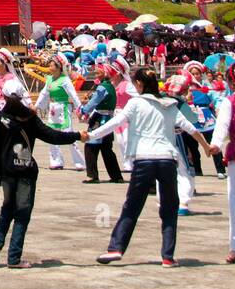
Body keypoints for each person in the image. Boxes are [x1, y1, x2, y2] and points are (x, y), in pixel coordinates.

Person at [90, 67, 214, 267]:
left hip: (144, 159)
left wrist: (91, 135)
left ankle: (116, 249)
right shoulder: (170, 104)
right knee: (169, 208)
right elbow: (191, 128)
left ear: (139, 84)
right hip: (167, 160)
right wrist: (207, 147)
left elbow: (115, 122)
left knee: (132, 207)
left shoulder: (136, 103)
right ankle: (167, 256)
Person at [0, 93, 87, 268]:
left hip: (5, 172)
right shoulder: (30, 120)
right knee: (22, 215)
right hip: (25, 172)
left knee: (7, 207)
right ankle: (14, 258)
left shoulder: (0, 118)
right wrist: (77, 135)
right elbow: (52, 135)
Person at [35, 53, 84, 170]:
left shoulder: (65, 80)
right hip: (52, 109)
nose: (50, 67)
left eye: (52, 65)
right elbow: (44, 93)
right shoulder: (49, 79)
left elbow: (73, 95)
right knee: (52, 134)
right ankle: (56, 161)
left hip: (63, 108)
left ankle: (79, 162)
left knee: (68, 133)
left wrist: (81, 108)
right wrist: (36, 106)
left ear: (58, 67)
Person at [78, 64, 123, 184]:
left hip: (100, 119)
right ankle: (116, 176)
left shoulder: (102, 88)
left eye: (99, 72)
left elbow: (94, 102)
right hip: (108, 118)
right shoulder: (110, 86)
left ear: (106, 74)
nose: (96, 74)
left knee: (91, 145)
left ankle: (92, 175)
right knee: (106, 148)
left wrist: (83, 110)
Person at [210, 62, 235, 262]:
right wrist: (216, 143)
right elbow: (222, 125)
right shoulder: (230, 102)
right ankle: (234, 246)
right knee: (234, 200)